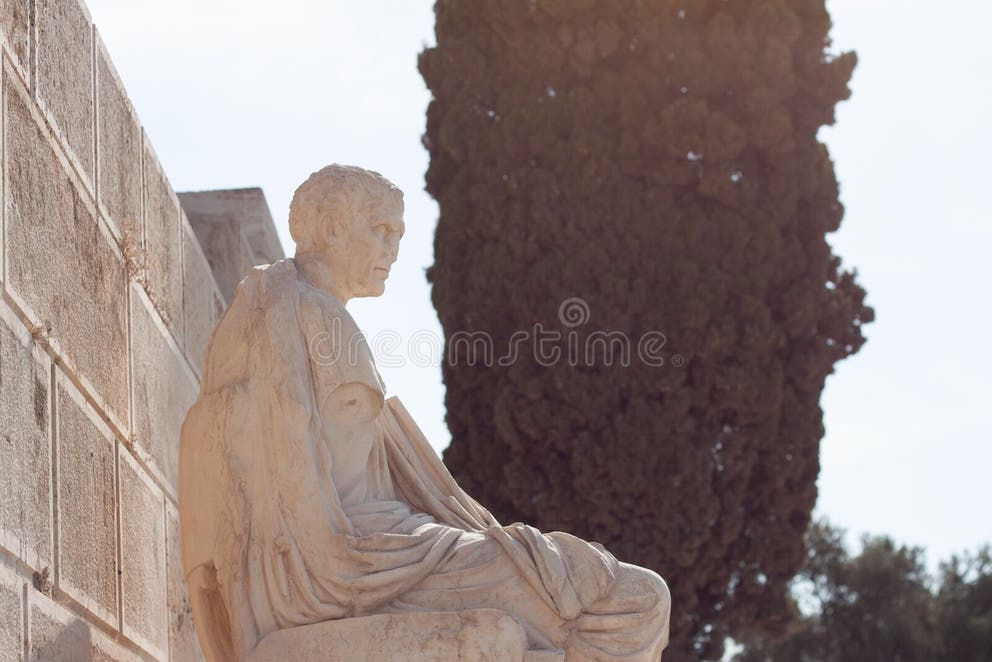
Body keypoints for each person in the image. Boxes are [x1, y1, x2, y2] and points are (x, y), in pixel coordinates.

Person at [179, 165, 671, 661]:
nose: (392, 250)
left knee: (590, 582)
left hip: (388, 547)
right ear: (330, 229)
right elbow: (336, 513)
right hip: (370, 558)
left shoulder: (268, 314)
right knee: (637, 599)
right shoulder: (318, 319)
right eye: (381, 230)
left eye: (397, 234)